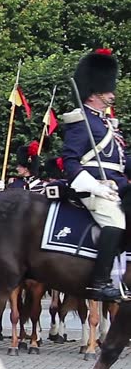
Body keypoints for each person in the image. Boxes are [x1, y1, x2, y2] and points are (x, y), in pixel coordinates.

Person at [61, 48, 126, 301]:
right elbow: (70, 160)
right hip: (94, 187)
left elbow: (121, 161)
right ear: (94, 94)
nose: (112, 94)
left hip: (116, 185)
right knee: (115, 222)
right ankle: (99, 282)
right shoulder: (81, 121)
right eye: (107, 89)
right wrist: (95, 186)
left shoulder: (105, 123)